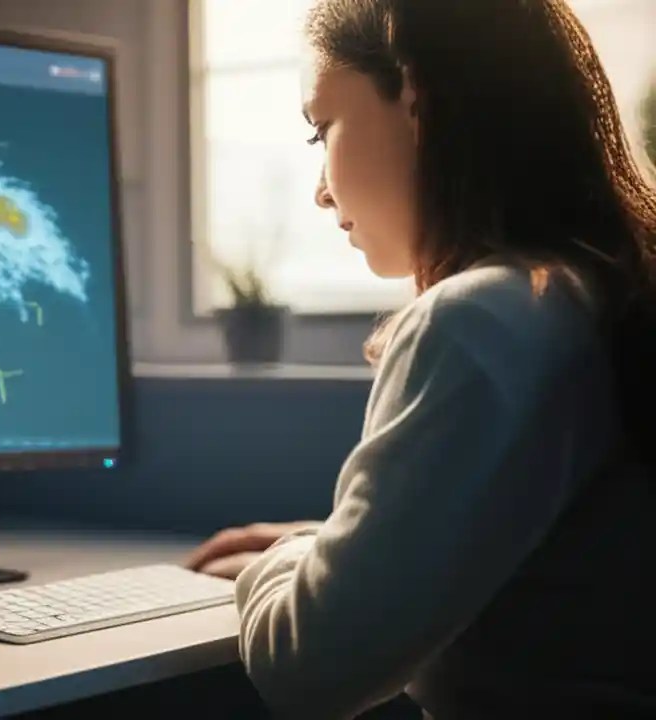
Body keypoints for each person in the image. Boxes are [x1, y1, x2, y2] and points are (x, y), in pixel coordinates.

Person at [186, 1, 656, 718]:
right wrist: (326, 549)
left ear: (414, 97)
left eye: (323, 128)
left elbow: (308, 668)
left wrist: (274, 566)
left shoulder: (478, 324)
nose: (320, 189)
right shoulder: (590, 295)